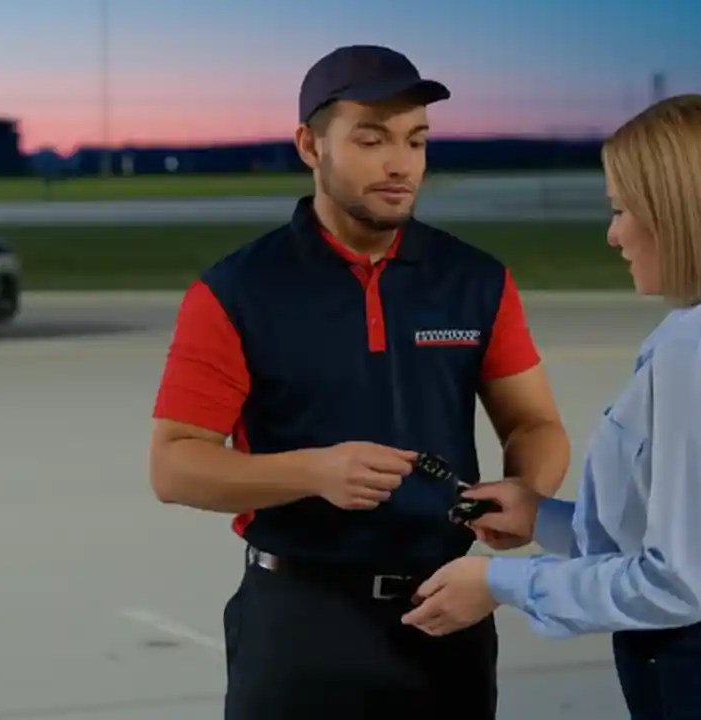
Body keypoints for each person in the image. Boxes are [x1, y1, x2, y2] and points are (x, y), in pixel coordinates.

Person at [147, 44, 571, 720]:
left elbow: (535, 423)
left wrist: (528, 490)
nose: (400, 163)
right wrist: (314, 472)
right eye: (371, 140)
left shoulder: (475, 280)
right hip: (297, 623)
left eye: (416, 140)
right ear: (310, 146)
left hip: (446, 611)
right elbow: (174, 466)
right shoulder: (236, 291)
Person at [401, 94, 701, 720]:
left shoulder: (700, 347)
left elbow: (677, 584)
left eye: (621, 210)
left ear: (679, 214)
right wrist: (540, 517)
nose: (613, 235)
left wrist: (499, 583)